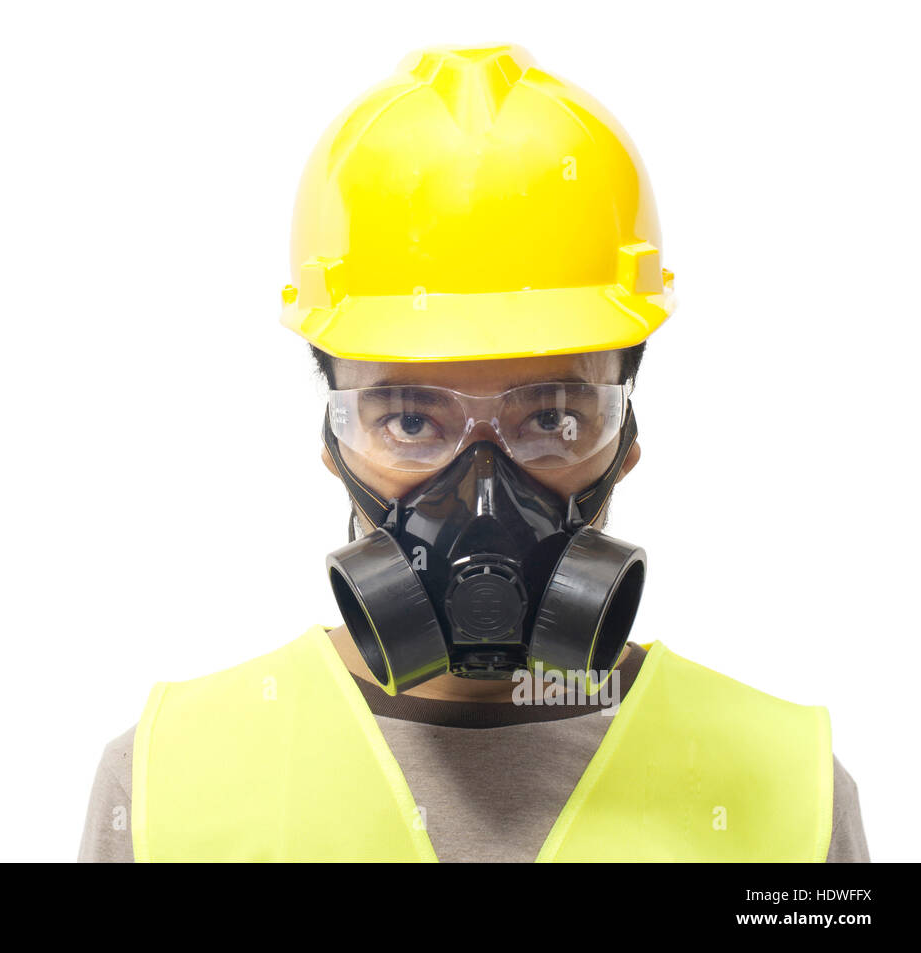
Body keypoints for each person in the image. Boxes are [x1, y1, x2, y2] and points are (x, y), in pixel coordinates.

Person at [77, 44, 870, 862]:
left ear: (625, 439)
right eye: (413, 422)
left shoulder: (787, 799)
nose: (482, 496)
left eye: (554, 417)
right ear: (331, 441)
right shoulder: (165, 789)